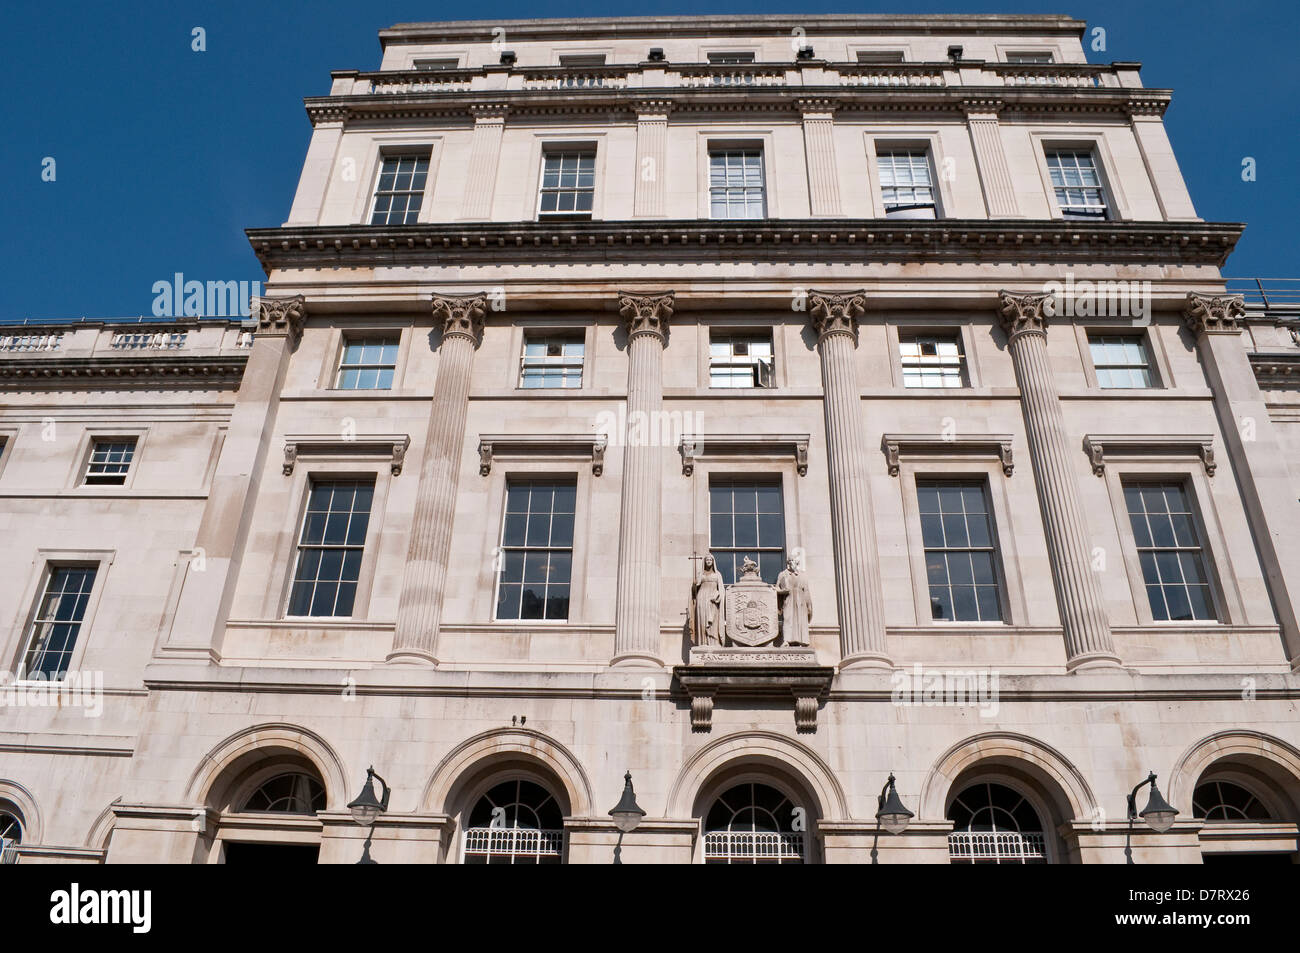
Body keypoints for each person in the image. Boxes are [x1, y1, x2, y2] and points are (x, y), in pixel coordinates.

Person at [775, 556, 812, 647]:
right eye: (791, 561)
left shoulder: (803, 575)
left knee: (800, 620)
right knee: (788, 619)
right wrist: (782, 591)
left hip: (801, 601)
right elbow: (776, 588)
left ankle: (800, 640)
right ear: (788, 562)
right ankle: (786, 640)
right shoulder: (783, 574)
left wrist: (809, 605)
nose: (793, 563)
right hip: (788, 599)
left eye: (795, 562)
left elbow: (806, 591)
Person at [692, 554, 726, 645]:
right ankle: (703, 642)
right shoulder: (700, 574)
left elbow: (722, 590)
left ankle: (714, 642)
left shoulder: (717, 574)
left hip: (713, 600)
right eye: (707, 560)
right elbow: (694, 590)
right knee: (702, 621)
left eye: (710, 560)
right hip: (702, 598)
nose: (708, 561)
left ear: (713, 561)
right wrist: (695, 584)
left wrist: (718, 596)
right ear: (704, 561)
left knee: (713, 622)